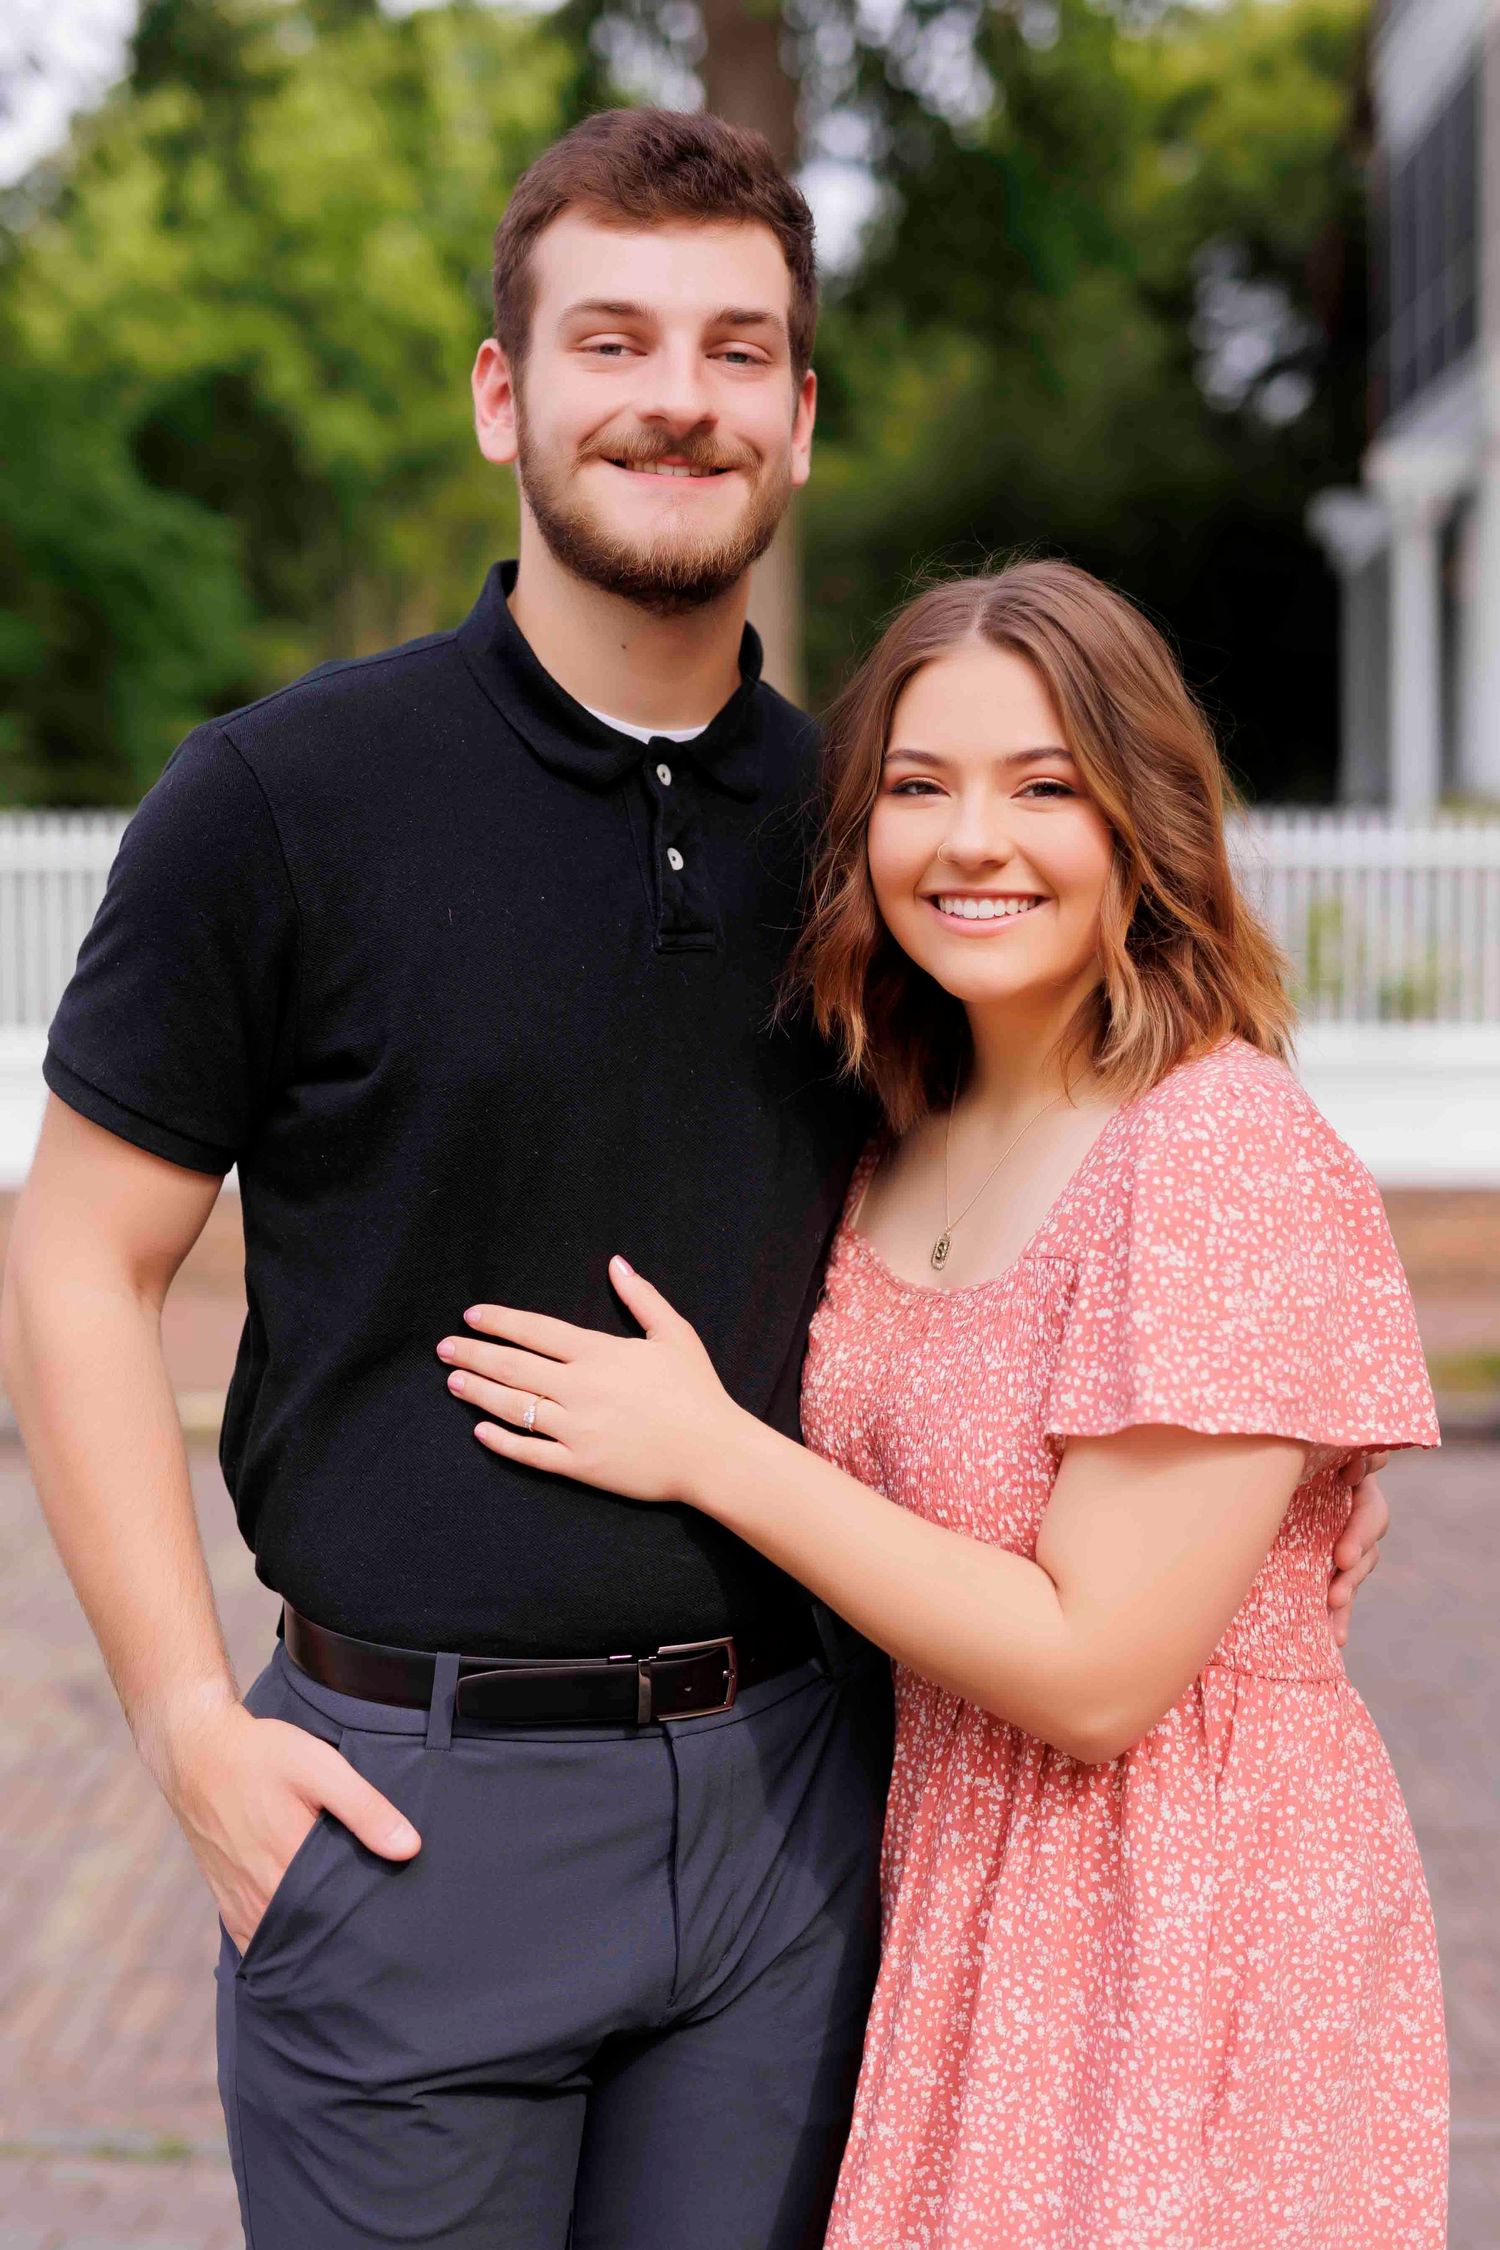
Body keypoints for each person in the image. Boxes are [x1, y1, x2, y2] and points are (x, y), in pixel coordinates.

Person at [0, 110, 1388, 2250]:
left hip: (795, 1834)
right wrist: (190, 1728)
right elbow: (78, 1259)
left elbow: (1067, 1167)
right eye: (614, 340)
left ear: (801, 419)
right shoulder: (281, 800)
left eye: (738, 350)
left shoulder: (869, 840)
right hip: (410, 1817)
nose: (678, 397)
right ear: (504, 395)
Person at [449, 561, 1446, 2248]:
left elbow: (1097, 1672)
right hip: (958, 1894)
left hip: (1179, 1925)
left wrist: (712, 1451)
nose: (973, 841)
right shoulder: (904, 1126)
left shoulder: (1215, 1148)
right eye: (919, 787)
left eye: (1044, 786)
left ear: (1142, 819)